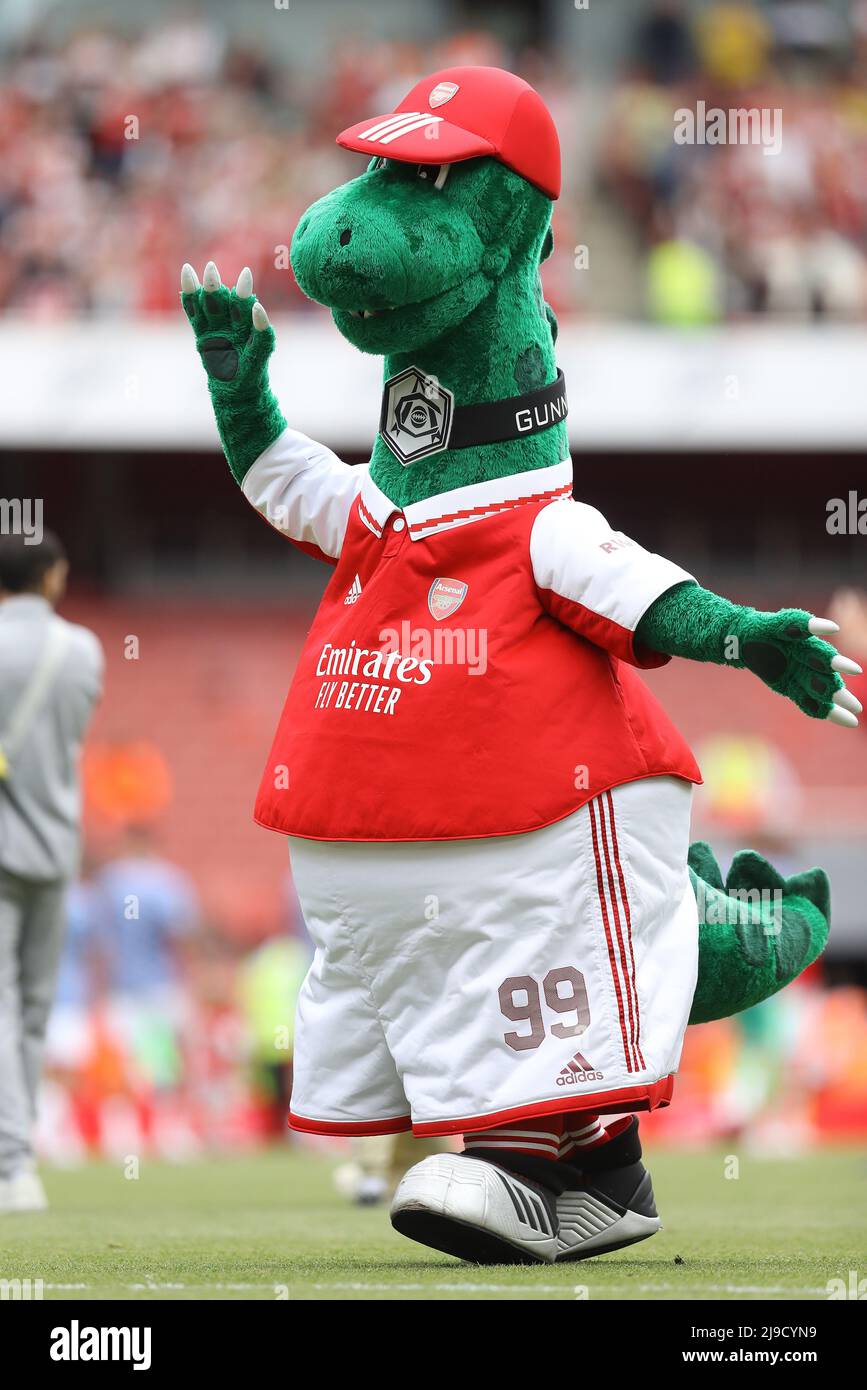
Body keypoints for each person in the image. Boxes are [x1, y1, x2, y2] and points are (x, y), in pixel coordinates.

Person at [0, 531, 103, 1211]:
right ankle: (20, 1155)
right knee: (35, 1007)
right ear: (52, 575)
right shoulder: (85, 649)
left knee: (4, 1005)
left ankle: (10, 1164)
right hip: (56, 846)